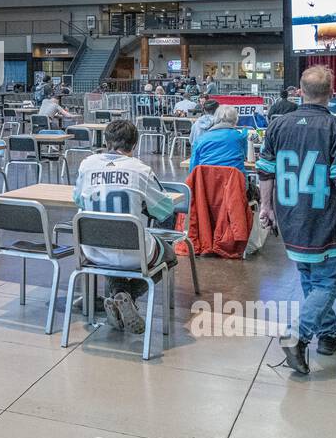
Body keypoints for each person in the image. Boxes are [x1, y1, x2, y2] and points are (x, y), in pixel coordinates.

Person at [256, 65, 336, 376]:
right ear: (331, 95)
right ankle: (299, 334)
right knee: (329, 281)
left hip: (290, 218)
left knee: (310, 279)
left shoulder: (277, 126)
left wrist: (266, 207)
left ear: (299, 91)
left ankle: (327, 336)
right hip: (325, 220)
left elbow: (265, 170)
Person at [72, 119, 180, 335]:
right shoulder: (141, 170)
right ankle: (128, 295)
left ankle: (116, 298)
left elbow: (78, 200)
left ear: (106, 141)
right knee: (169, 257)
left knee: (111, 247)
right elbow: (164, 209)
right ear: (134, 145)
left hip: (92, 251)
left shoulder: (87, 165)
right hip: (134, 252)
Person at [188, 105, 248, 174]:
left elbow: (193, 167)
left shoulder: (201, 139)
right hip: (234, 181)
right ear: (236, 120)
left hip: (207, 181)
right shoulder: (240, 137)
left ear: (216, 118)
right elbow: (244, 157)